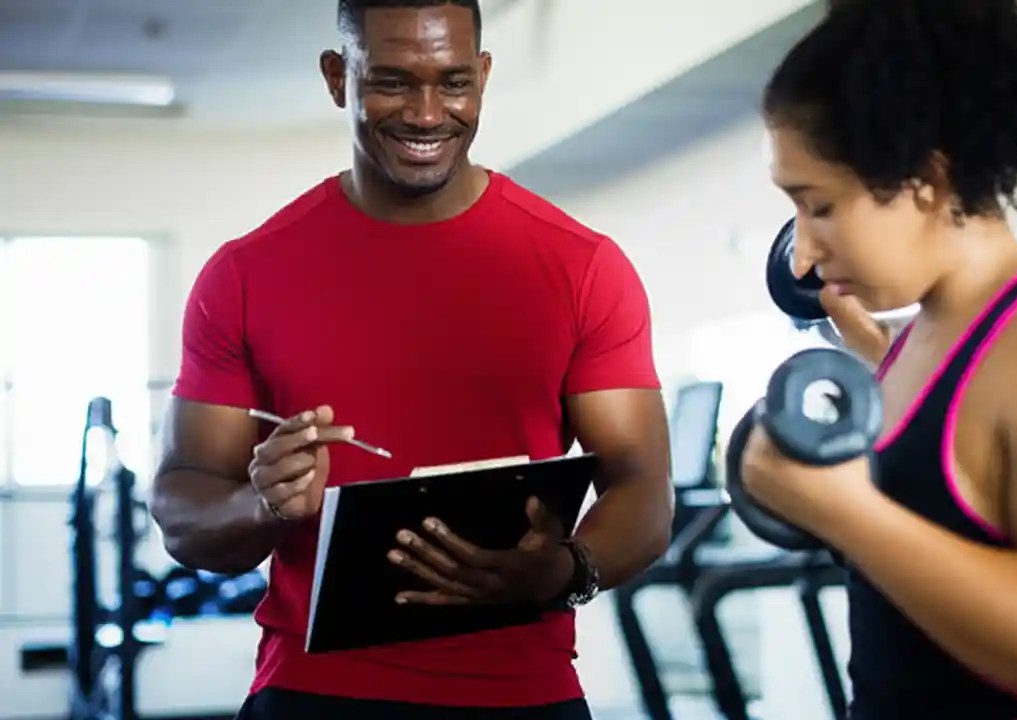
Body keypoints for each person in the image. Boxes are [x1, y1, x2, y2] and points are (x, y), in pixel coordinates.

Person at [148, 1, 674, 718]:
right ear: (339, 78)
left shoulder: (583, 268)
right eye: (392, 82)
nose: (428, 114)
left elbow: (643, 488)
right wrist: (260, 505)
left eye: (452, 82)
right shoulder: (244, 275)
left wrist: (564, 570)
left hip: (522, 696)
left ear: (483, 77)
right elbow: (183, 506)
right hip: (312, 693)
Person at [740, 1, 1017, 718]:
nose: (804, 253)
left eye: (817, 206)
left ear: (926, 182)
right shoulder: (922, 336)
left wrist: (846, 514)